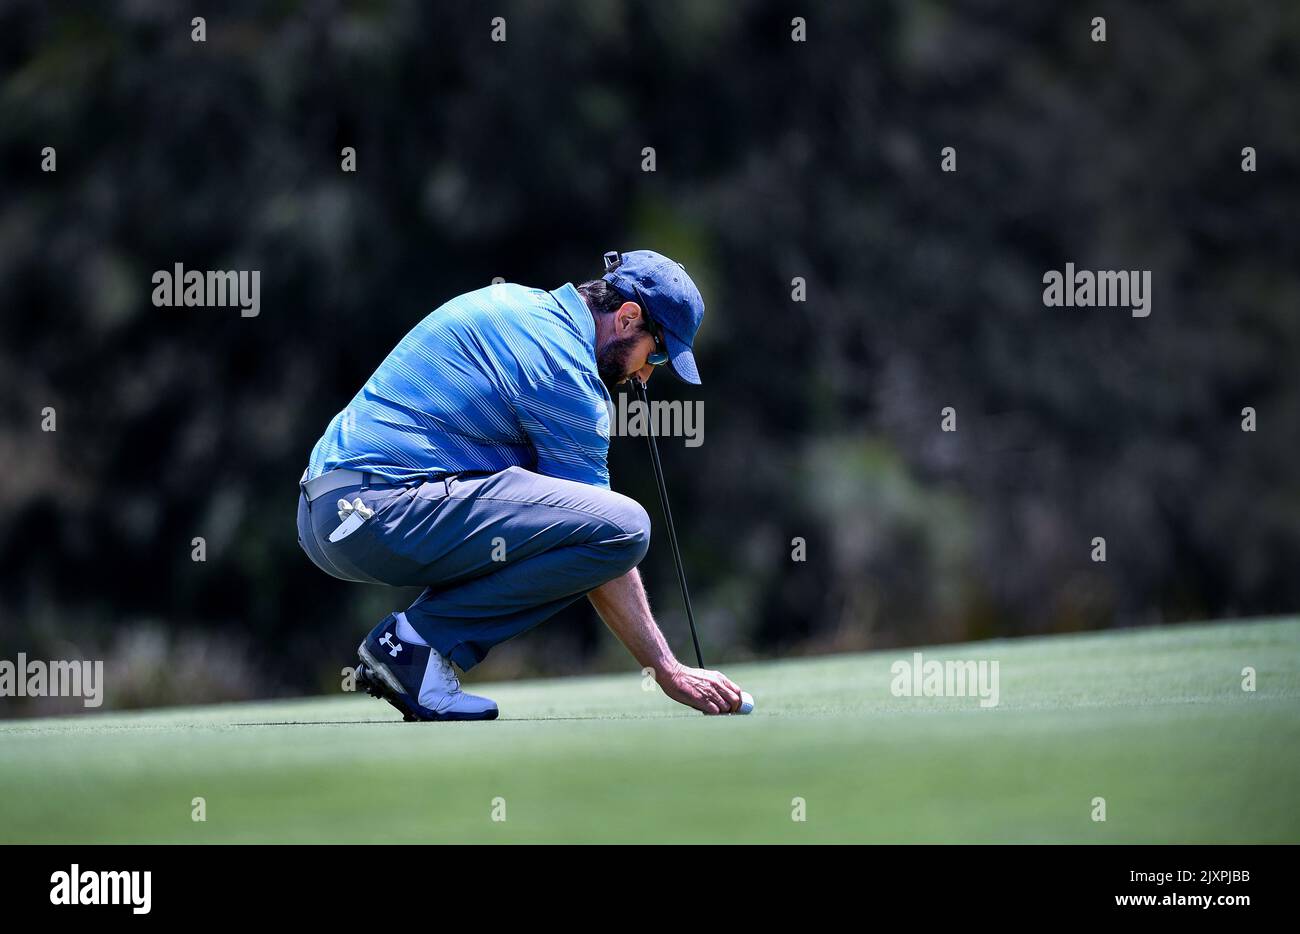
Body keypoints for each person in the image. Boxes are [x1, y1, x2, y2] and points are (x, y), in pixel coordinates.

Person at [296, 249, 745, 721]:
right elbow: (607, 536)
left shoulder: (520, 303)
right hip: (373, 510)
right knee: (626, 527)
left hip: (324, 514)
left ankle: (414, 645)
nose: (647, 374)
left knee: (579, 517)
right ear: (627, 318)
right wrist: (667, 669)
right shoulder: (564, 368)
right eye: (656, 353)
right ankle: (415, 645)